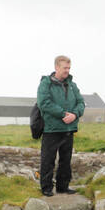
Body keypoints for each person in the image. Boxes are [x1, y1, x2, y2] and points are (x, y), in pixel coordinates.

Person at [36, 55, 85, 196]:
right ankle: (46, 188)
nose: (67, 71)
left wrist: (74, 115)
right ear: (56, 67)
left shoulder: (72, 85)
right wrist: (63, 114)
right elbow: (44, 103)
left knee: (66, 160)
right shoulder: (45, 83)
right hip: (51, 129)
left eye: (69, 68)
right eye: (65, 68)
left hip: (69, 129)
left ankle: (63, 186)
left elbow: (81, 102)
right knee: (48, 160)